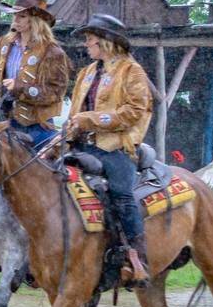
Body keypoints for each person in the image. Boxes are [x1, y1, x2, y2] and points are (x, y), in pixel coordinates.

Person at [63, 14, 153, 288]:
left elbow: (135, 111)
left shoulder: (132, 71)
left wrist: (91, 120)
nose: (87, 43)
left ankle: (137, 259)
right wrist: (70, 130)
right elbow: (76, 112)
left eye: (91, 38)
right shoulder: (87, 72)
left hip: (116, 147)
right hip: (82, 144)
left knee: (122, 195)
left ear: (106, 42)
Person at [0, 0, 70, 147]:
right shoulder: (3, 44)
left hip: (38, 125)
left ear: (35, 21)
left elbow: (55, 93)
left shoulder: (51, 51)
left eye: (22, 16)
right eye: (14, 15)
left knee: (48, 164)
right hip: (5, 120)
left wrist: (20, 88)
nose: (15, 19)